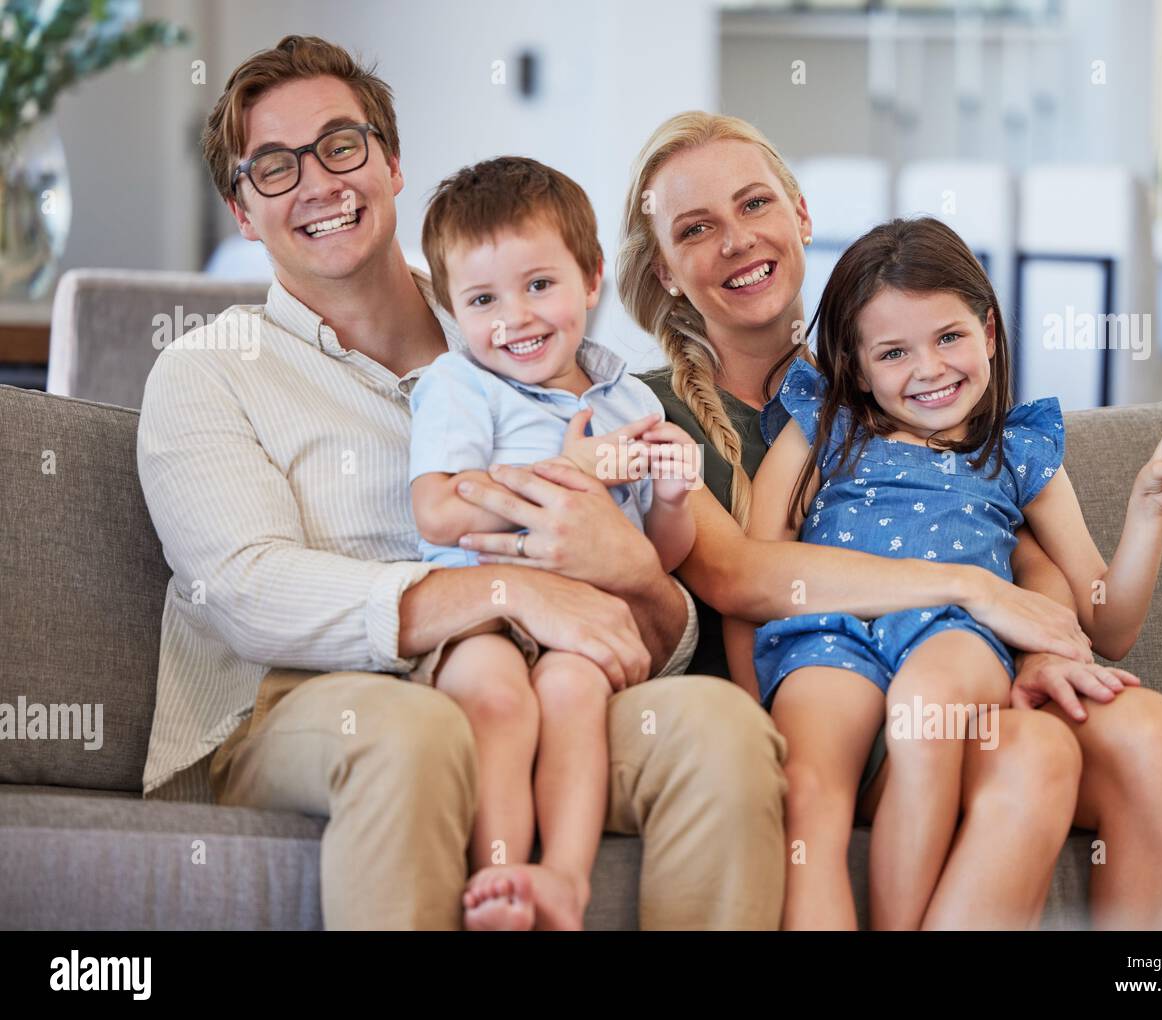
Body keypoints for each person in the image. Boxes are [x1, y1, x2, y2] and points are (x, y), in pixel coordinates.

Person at [459, 109, 1162, 930]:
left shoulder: (883, 371)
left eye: (755, 206)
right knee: (1026, 756)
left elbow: (1019, 541)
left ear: (800, 216)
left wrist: (1036, 643)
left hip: (951, 676)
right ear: (667, 271)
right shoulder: (640, 409)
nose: (737, 240)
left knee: (1150, 733)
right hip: (810, 702)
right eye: (697, 228)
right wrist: (970, 591)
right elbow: (742, 574)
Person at [137, 37, 786, 931]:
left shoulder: (518, 327)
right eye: (274, 168)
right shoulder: (208, 372)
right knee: (414, 734)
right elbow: (243, 591)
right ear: (242, 211)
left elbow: (647, 607)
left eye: (341, 144)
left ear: (391, 162)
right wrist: (504, 589)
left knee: (720, 729)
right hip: (301, 701)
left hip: (546, 685)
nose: (319, 183)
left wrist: (634, 575)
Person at [731, 215, 1162, 929]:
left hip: (953, 659)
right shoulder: (826, 430)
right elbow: (755, 570)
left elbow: (1107, 622)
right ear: (858, 365)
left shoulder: (1015, 452)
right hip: (833, 657)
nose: (930, 370)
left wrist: (1150, 511)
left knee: (1146, 729)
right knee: (819, 793)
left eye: (950, 337)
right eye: (895, 352)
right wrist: (756, 711)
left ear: (989, 332)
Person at [404, 155, 699, 929]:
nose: (516, 318)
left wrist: (671, 497)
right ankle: (500, 876)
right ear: (452, 310)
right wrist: (568, 469)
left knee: (573, 695)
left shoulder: (630, 396)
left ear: (592, 277)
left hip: (589, 616)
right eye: (482, 299)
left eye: (540, 284)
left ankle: (562, 881)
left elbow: (657, 558)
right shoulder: (460, 384)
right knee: (497, 696)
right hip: (485, 606)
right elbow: (438, 511)